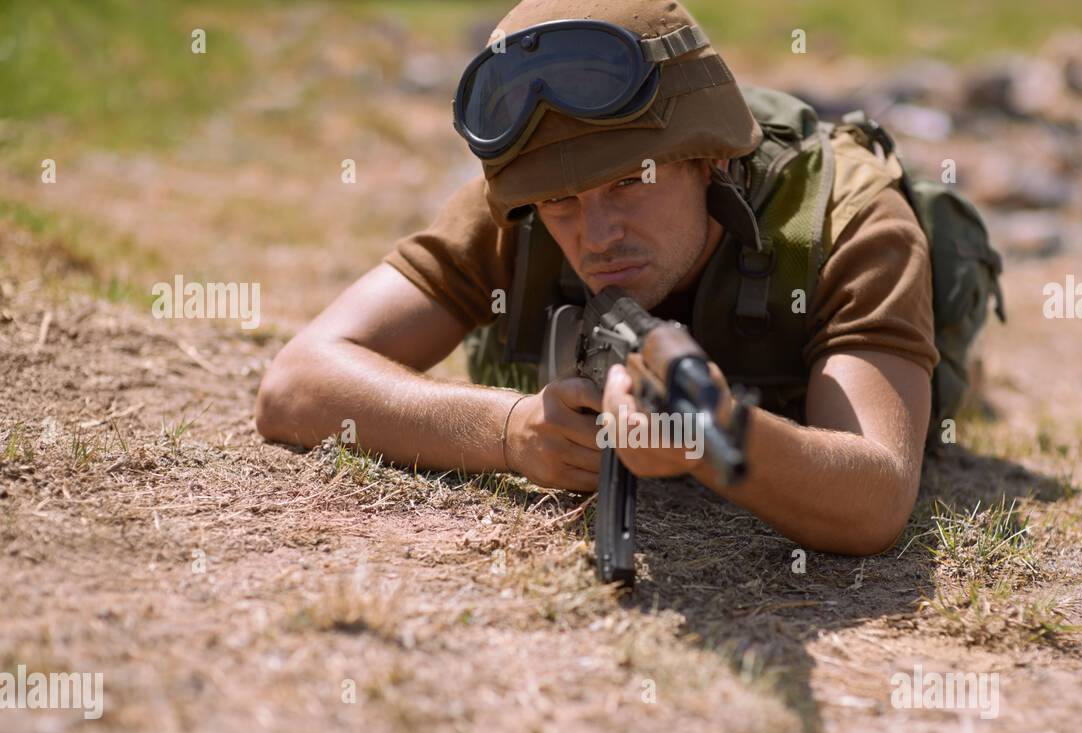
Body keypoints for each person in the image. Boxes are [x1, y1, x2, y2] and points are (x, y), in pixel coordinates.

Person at [255, 0, 939, 555]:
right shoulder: (515, 217)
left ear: (709, 161)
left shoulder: (853, 221)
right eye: (562, 201)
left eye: (627, 184)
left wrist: (716, 436)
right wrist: (512, 430)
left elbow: (876, 499)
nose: (597, 233)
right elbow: (297, 381)